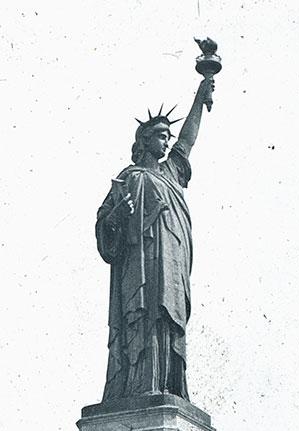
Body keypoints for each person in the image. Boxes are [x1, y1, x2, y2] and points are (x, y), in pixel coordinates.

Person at [96, 75, 215, 402]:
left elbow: (187, 141)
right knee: (142, 320)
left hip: (172, 265)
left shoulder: (172, 172)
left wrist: (200, 96)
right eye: (161, 136)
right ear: (145, 140)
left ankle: (167, 386)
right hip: (140, 268)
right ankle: (137, 386)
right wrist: (117, 215)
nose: (166, 142)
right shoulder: (128, 177)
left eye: (167, 137)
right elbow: (104, 224)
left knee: (166, 320)